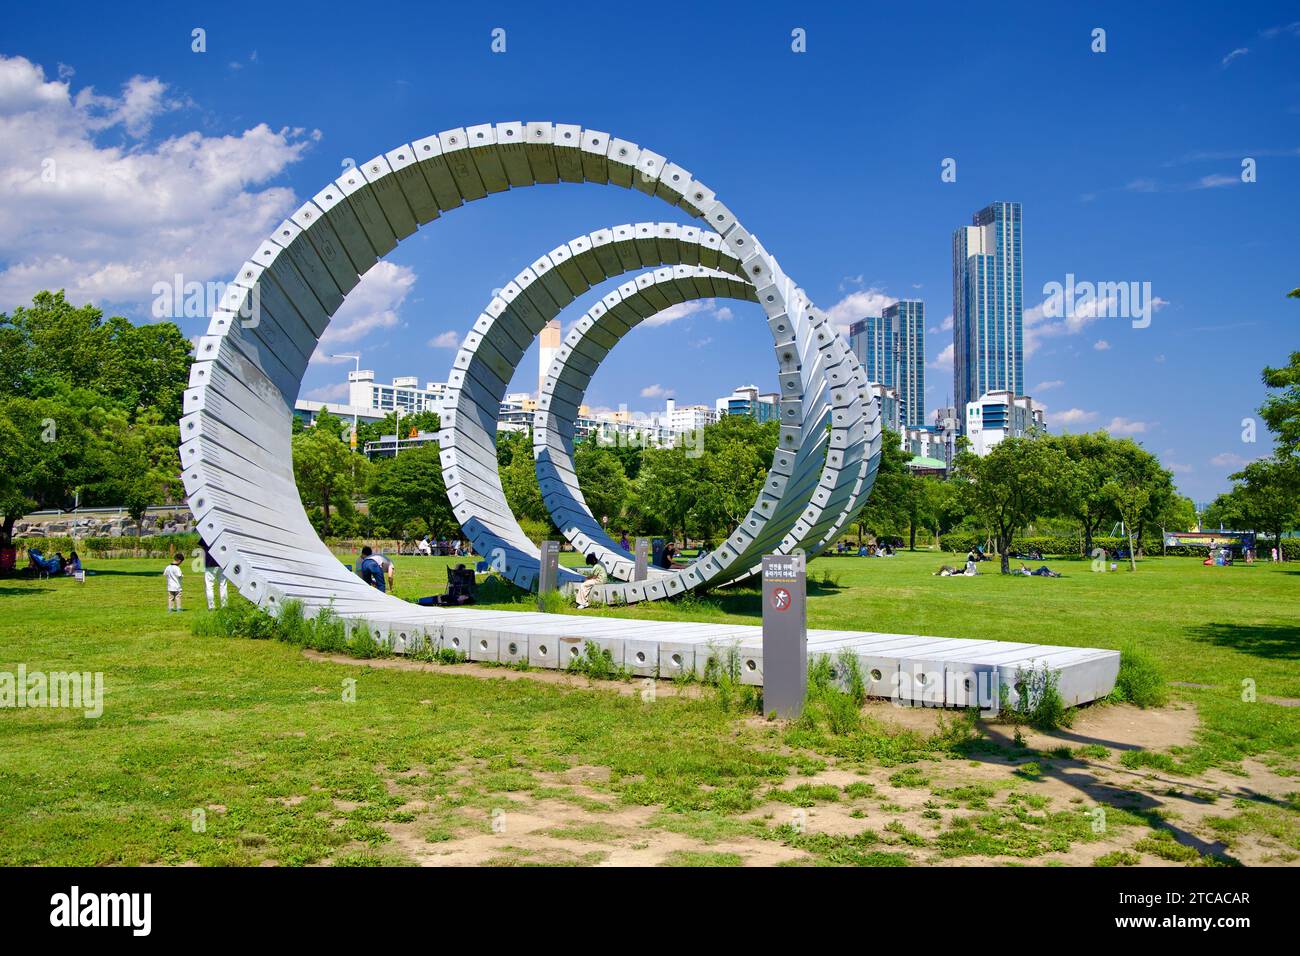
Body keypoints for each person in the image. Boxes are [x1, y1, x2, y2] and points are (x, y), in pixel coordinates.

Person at [203, 542, 228, 610]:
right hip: (222, 562)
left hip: (210, 563)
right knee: (223, 585)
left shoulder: (206, 536)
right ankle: (224, 605)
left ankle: (211, 606)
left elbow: (203, 545)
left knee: (209, 586)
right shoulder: (223, 536)